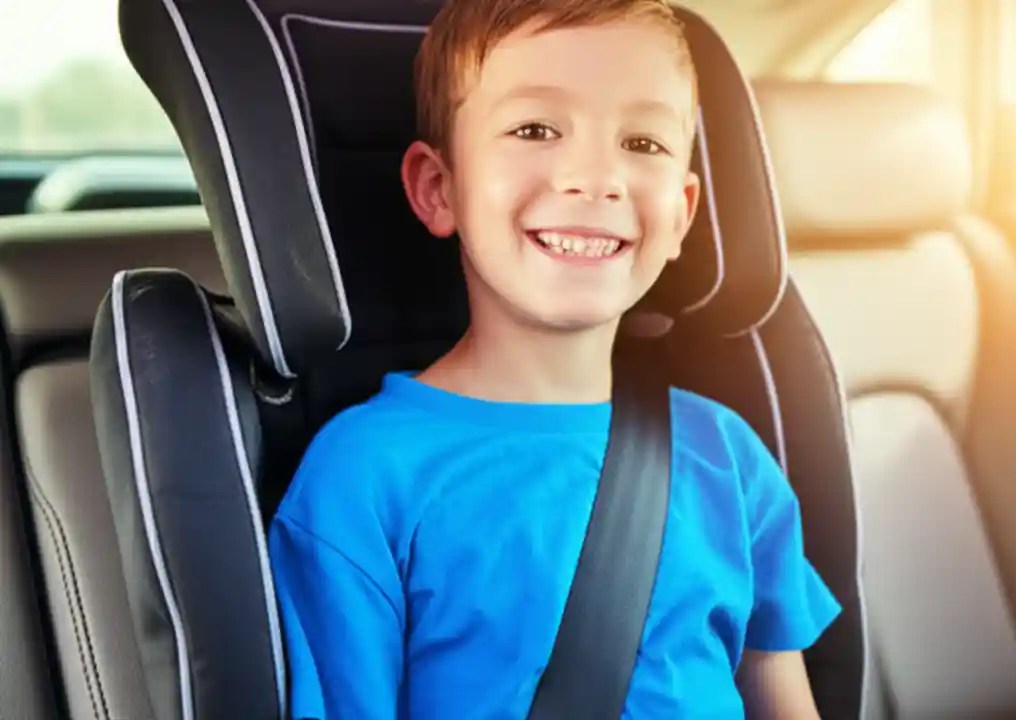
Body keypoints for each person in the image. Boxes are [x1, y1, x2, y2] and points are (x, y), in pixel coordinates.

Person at [268, 0, 840, 717]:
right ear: (438, 190)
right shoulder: (363, 475)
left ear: (681, 216)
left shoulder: (727, 456)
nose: (595, 177)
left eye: (644, 143)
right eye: (535, 129)